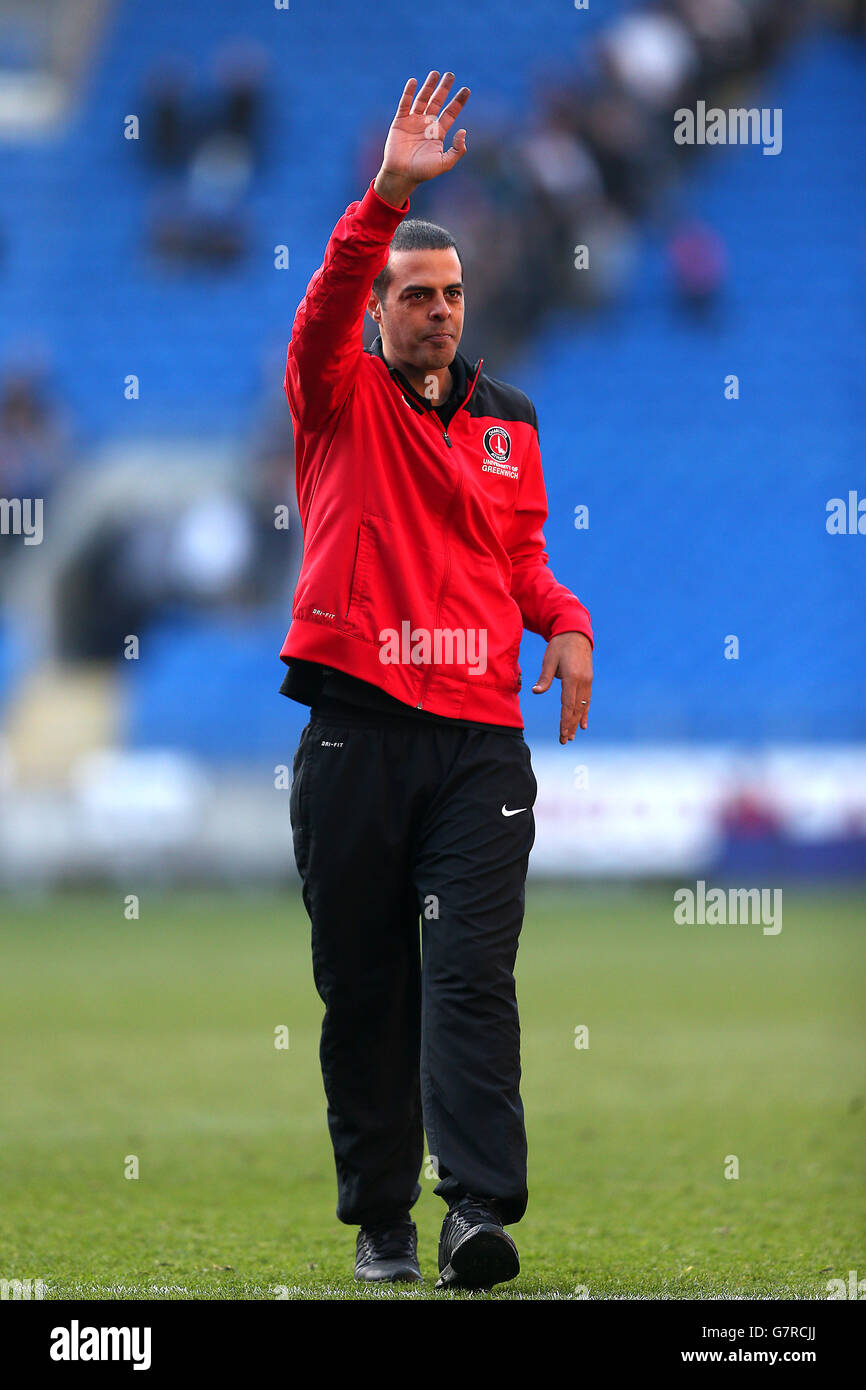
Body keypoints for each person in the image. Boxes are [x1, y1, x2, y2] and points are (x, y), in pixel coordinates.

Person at [279, 72, 593, 1290]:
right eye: (415, 297)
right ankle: (380, 1216)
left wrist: (562, 624)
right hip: (356, 730)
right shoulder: (335, 393)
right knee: (364, 986)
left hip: (475, 742)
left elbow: (521, 561)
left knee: (468, 975)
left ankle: (474, 1211)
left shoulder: (508, 419)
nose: (440, 313)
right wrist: (387, 197)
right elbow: (319, 313)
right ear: (379, 311)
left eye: (453, 295)